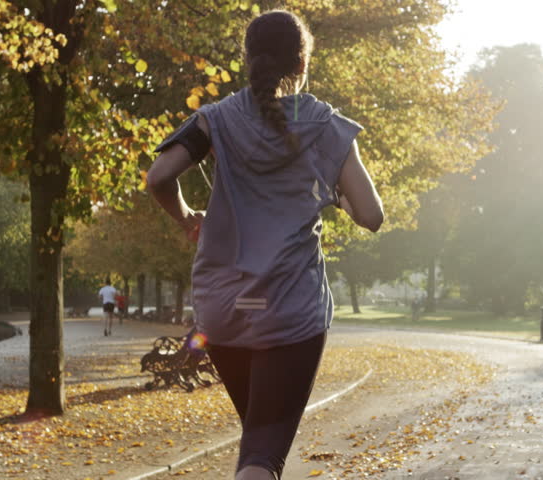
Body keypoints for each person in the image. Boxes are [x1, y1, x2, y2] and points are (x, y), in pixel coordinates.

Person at [146, 10, 383, 480]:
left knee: (258, 443)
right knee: (260, 458)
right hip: (287, 309)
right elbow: (372, 215)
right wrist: (338, 199)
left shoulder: (213, 120)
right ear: (301, 65)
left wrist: (186, 218)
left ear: (248, 59)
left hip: (224, 310)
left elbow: (158, 178)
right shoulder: (324, 125)